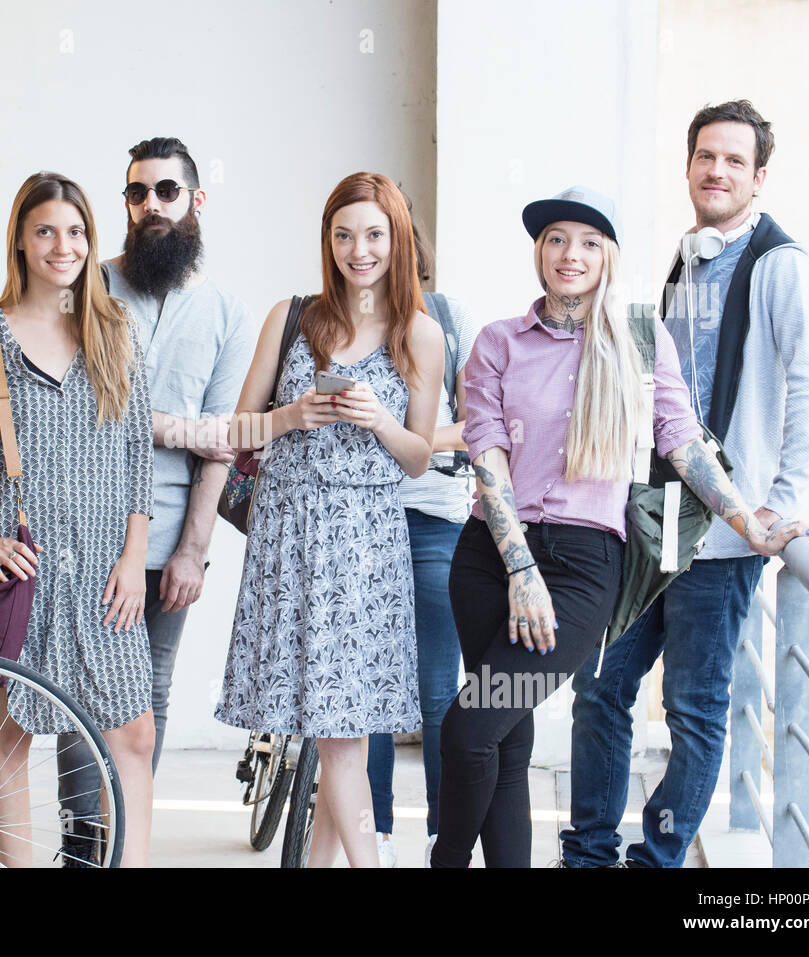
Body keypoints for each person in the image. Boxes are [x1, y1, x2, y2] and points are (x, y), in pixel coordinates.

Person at [429, 186, 809, 869]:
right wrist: (519, 568)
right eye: (555, 240)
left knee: (468, 729)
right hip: (491, 557)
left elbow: (683, 441)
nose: (569, 255)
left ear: (607, 256)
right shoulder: (498, 341)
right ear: (539, 252)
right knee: (503, 740)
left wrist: (750, 524)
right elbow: (487, 453)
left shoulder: (642, 341)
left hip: (583, 571)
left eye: (587, 242)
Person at [562, 101, 809, 867]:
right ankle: (588, 851)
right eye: (705, 157)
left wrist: (780, 502)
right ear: (688, 167)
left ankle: (658, 856)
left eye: (734, 161)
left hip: (724, 535)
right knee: (601, 688)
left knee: (692, 707)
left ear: (759, 177)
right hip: (657, 525)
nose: (717, 170)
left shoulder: (781, 263)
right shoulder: (689, 258)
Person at [0, 171, 156, 867]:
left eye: (77, 231)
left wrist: (133, 557)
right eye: (46, 230)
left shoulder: (115, 329)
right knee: (8, 736)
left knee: (131, 734)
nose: (63, 245)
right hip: (18, 573)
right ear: (21, 239)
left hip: (106, 573)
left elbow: (138, 449)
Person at [215, 171, 442, 868]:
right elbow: (237, 430)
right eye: (343, 235)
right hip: (288, 539)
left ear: (397, 238)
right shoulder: (292, 315)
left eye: (374, 234)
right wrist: (290, 416)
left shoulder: (420, 333)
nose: (358, 249)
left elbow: (419, 457)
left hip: (364, 551)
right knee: (324, 733)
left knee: (340, 737)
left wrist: (378, 420)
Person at [55, 136, 256, 862]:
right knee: (83, 686)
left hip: (174, 534)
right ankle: (85, 844)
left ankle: (127, 837)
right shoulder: (89, 288)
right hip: (84, 524)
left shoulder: (231, 314)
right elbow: (84, 411)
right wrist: (178, 426)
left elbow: (225, 443)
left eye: (166, 191)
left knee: (151, 690)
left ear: (197, 201)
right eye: (137, 194)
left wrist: (194, 551)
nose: (150, 206)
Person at [367, 201, 475, 868]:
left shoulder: (446, 317)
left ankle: (444, 834)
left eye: (385, 235)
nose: (370, 250)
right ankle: (373, 832)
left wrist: (394, 435)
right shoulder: (331, 321)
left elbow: (476, 424)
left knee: (438, 687)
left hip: (436, 515)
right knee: (368, 686)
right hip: (361, 519)